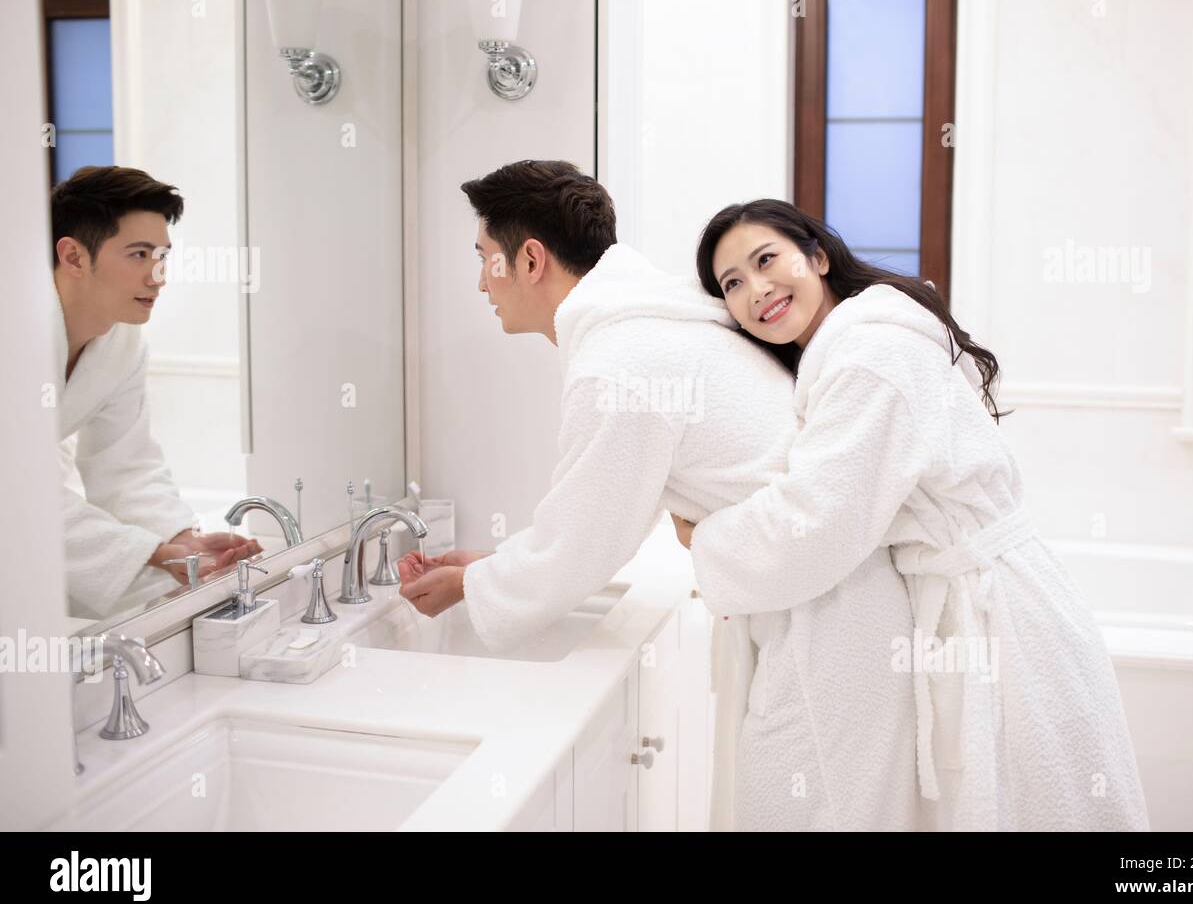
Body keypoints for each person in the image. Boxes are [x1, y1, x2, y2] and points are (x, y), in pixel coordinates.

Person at [396, 160, 926, 830]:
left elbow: (582, 542)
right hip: (831, 600)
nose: (480, 282)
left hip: (831, 617)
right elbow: (595, 511)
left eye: (485, 259)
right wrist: (486, 570)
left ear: (530, 260)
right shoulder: (654, 326)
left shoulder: (621, 358)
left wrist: (474, 588)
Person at [670, 199, 1149, 830]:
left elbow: (819, 523)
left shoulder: (869, 357)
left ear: (816, 255)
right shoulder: (854, 345)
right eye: (732, 284)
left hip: (997, 618)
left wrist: (706, 536)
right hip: (973, 602)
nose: (757, 290)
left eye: (767, 260)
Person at [52, 165, 260, 618]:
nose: (158, 276)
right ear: (73, 257)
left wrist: (179, 539)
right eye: (139, 255)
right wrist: (149, 552)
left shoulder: (121, 345)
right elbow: (16, 490)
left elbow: (125, 464)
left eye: (162, 255)